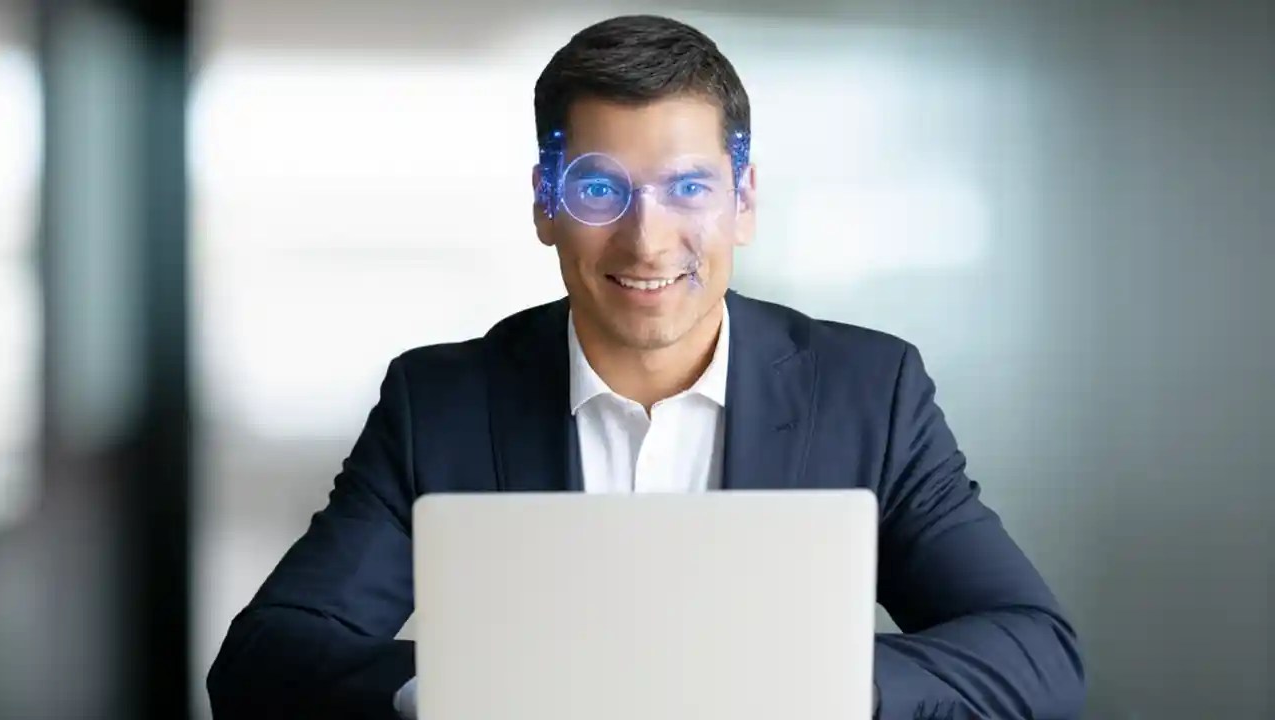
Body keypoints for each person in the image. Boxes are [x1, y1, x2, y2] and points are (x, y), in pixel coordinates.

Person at [207, 14, 1085, 720]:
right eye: (598, 188)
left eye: (689, 187)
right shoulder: (439, 402)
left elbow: (1037, 655)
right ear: (545, 205)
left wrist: (828, 689)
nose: (646, 237)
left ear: (744, 200)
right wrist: (459, 689)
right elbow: (264, 664)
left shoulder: (870, 392)